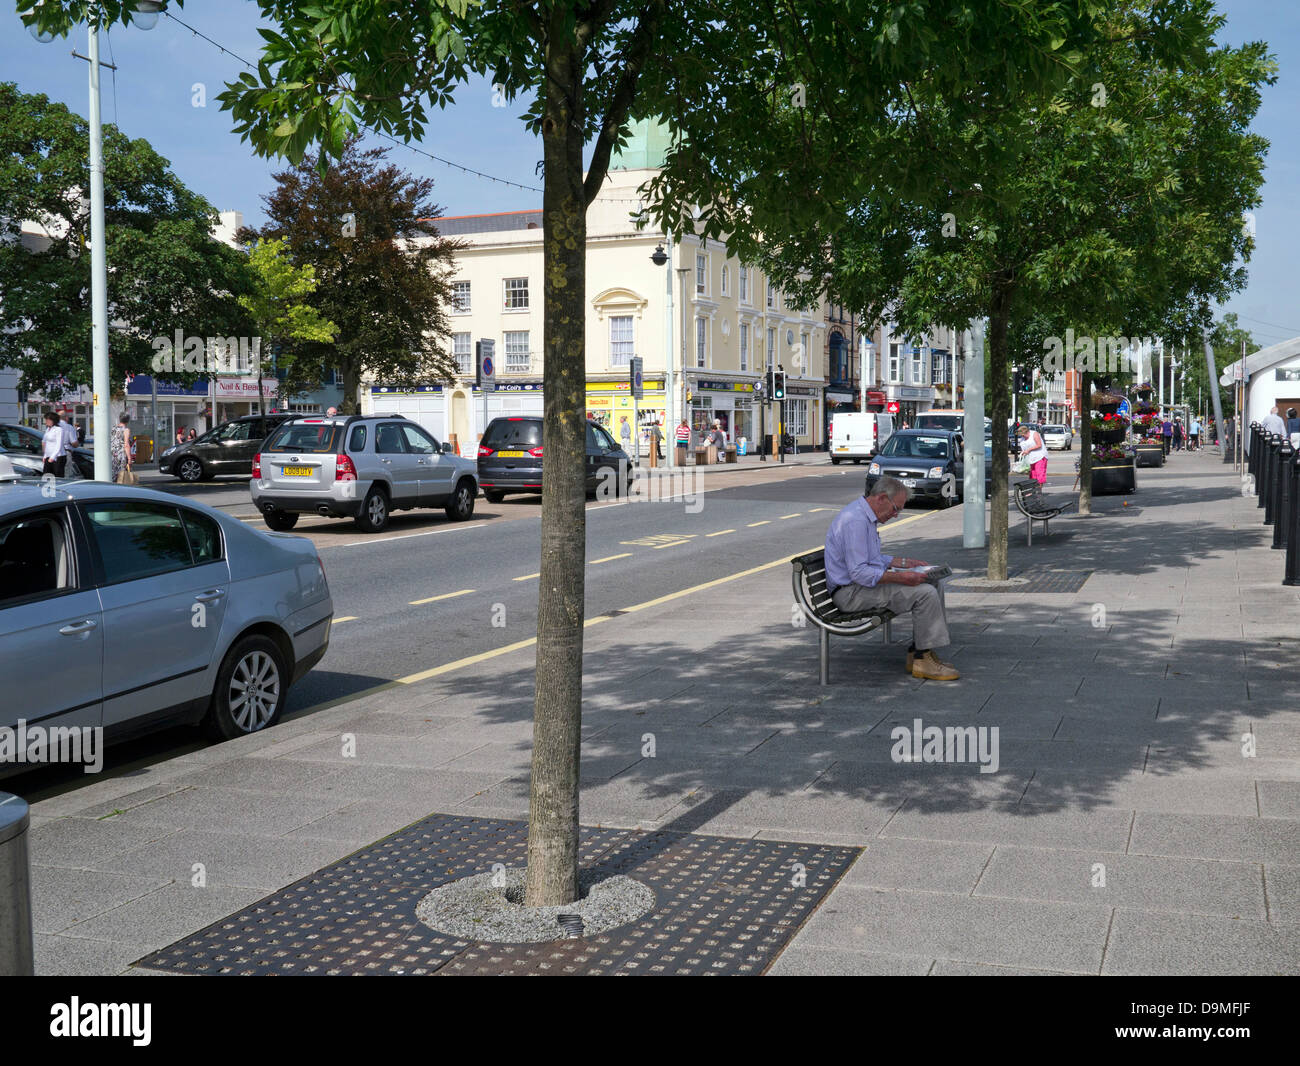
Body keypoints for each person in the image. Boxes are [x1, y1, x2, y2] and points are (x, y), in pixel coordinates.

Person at [824, 477, 958, 681]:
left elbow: (872, 559)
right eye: (895, 509)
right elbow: (859, 572)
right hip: (850, 593)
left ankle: (921, 652)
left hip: (857, 587)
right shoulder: (856, 521)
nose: (895, 515)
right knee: (925, 593)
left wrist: (903, 562)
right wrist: (902, 578)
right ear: (881, 498)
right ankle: (922, 660)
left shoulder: (864, 516)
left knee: (933, 582)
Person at [41, 411, 66, 477]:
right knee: (46, 475)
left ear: (53, 420)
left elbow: (59, 444)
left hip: (58, 457)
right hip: (48, 455)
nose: (46, 421)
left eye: (47, 420)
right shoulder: (48, 429)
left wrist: (52, 457)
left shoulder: (59, 429)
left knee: (57, 476)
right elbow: (46, 443)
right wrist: (45, 456)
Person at [110, 412, 132, 483]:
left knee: (113, 474)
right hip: (121, 454)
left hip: (112, 454)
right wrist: (129, 458)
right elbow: (126, 444)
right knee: (121, 475)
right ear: (128, 420)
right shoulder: (126, 430)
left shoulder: (113, 428)